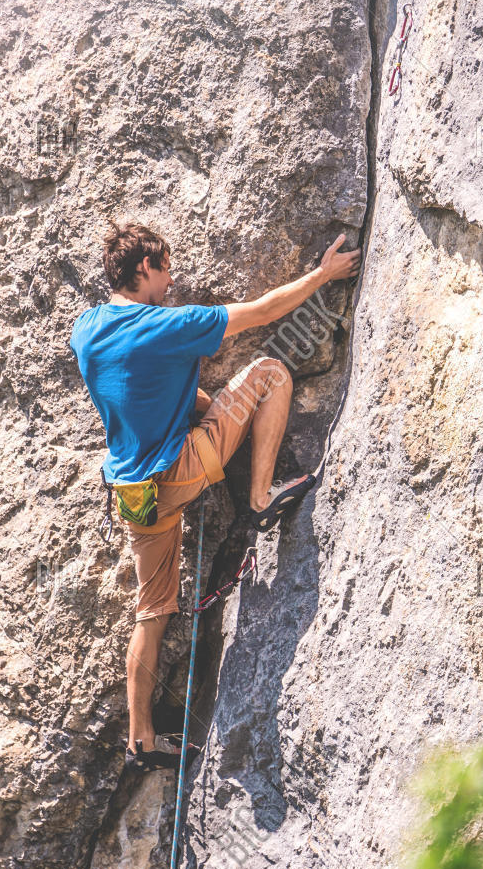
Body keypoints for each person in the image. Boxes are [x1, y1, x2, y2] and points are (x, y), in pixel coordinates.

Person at [70, 222, 359, 772]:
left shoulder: (86, 329)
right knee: (271, 372)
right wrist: (323, 275)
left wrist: (196, 406)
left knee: (150, 614)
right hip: (180, 470)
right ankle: (259, 498)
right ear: (144, 270)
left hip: (134, 496)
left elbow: (136, 387)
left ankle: (141, 740)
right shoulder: (164, 326)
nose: (172, 279)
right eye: (166, 269)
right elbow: (262, 312)